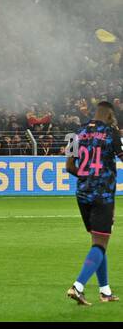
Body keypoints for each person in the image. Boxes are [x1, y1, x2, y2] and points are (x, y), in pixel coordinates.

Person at [66, 100, 122, 305]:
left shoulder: (75, 133)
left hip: (82, 195)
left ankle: (105, 291)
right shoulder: (111, 132)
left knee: (97, 242)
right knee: (100, 243)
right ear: (109, 115)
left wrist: (86, 176)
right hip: (103, 196)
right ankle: (78, 287)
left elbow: (69, 166)